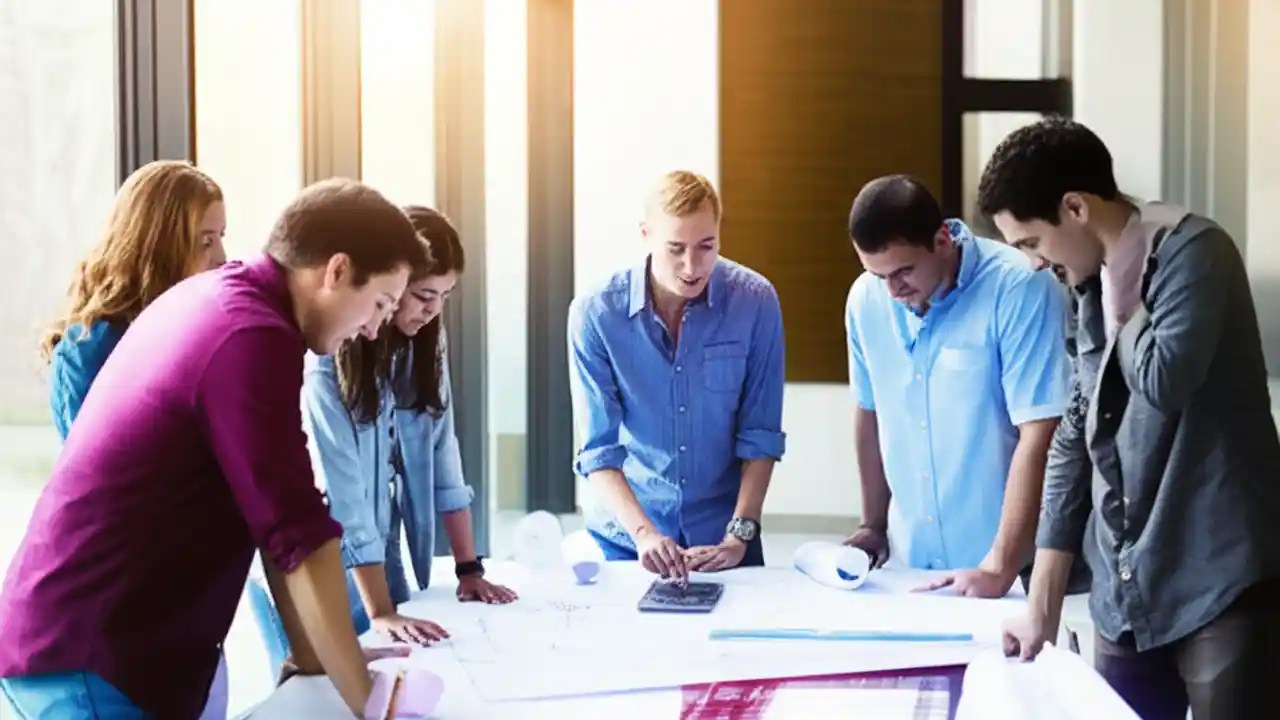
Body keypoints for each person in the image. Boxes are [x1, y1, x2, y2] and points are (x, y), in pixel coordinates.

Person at [0, 178, 429, 719]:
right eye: (379, 304)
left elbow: (280, 526)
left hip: (79, 647)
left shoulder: (226, 302)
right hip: (93, 655)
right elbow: (301, 536)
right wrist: (367, 701)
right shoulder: (250, 334)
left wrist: (317, 660)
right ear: (336, 271)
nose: (373, 331)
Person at [981, 117, 1280, 719]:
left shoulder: (1196, 252)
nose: (1036, 264)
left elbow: (1165, 382)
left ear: (1075, 208)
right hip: (1126, 587)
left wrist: (1125, 291)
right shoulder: (1083, 287)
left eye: (1032, 243)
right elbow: (1074, 436)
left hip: (1218, 580)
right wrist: (1043, 599)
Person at [841, 175, 1069, 598]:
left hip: (1007, 571)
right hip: (909, 567)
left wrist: (1000, 565)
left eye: (903, 270)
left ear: (943, 240)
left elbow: (1040, 432)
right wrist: (872, 524)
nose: (892, 290)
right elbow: (869, 410)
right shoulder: (864, 300)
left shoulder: (1021, 287)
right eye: (878, 275)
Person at [301, 206, 516, 648]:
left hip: (380, 559)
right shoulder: (326, 362)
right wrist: (380, 611)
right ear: (393, 283)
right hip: (319, 566)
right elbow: (345, 500)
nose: (434, 310)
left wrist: (469, 570)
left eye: (446, 295)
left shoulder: (422, 349)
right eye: (423, 295)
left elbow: (445, 458)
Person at [567, 170, 786, 580]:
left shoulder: (755, 302)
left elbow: (761, 434)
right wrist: (644, 535)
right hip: (627, 541)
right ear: (646, 234)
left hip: (726, 538)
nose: (691, 266)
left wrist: (739, 535)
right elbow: (598, 450)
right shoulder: (596, 314)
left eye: (707, 247)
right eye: (675, 249)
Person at [43, 159, 226, 439]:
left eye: (221, 237)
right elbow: (104, 473)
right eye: (206, 242)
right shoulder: (89, 353)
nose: (223, 259)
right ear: (161, 248)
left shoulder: (202, 331)